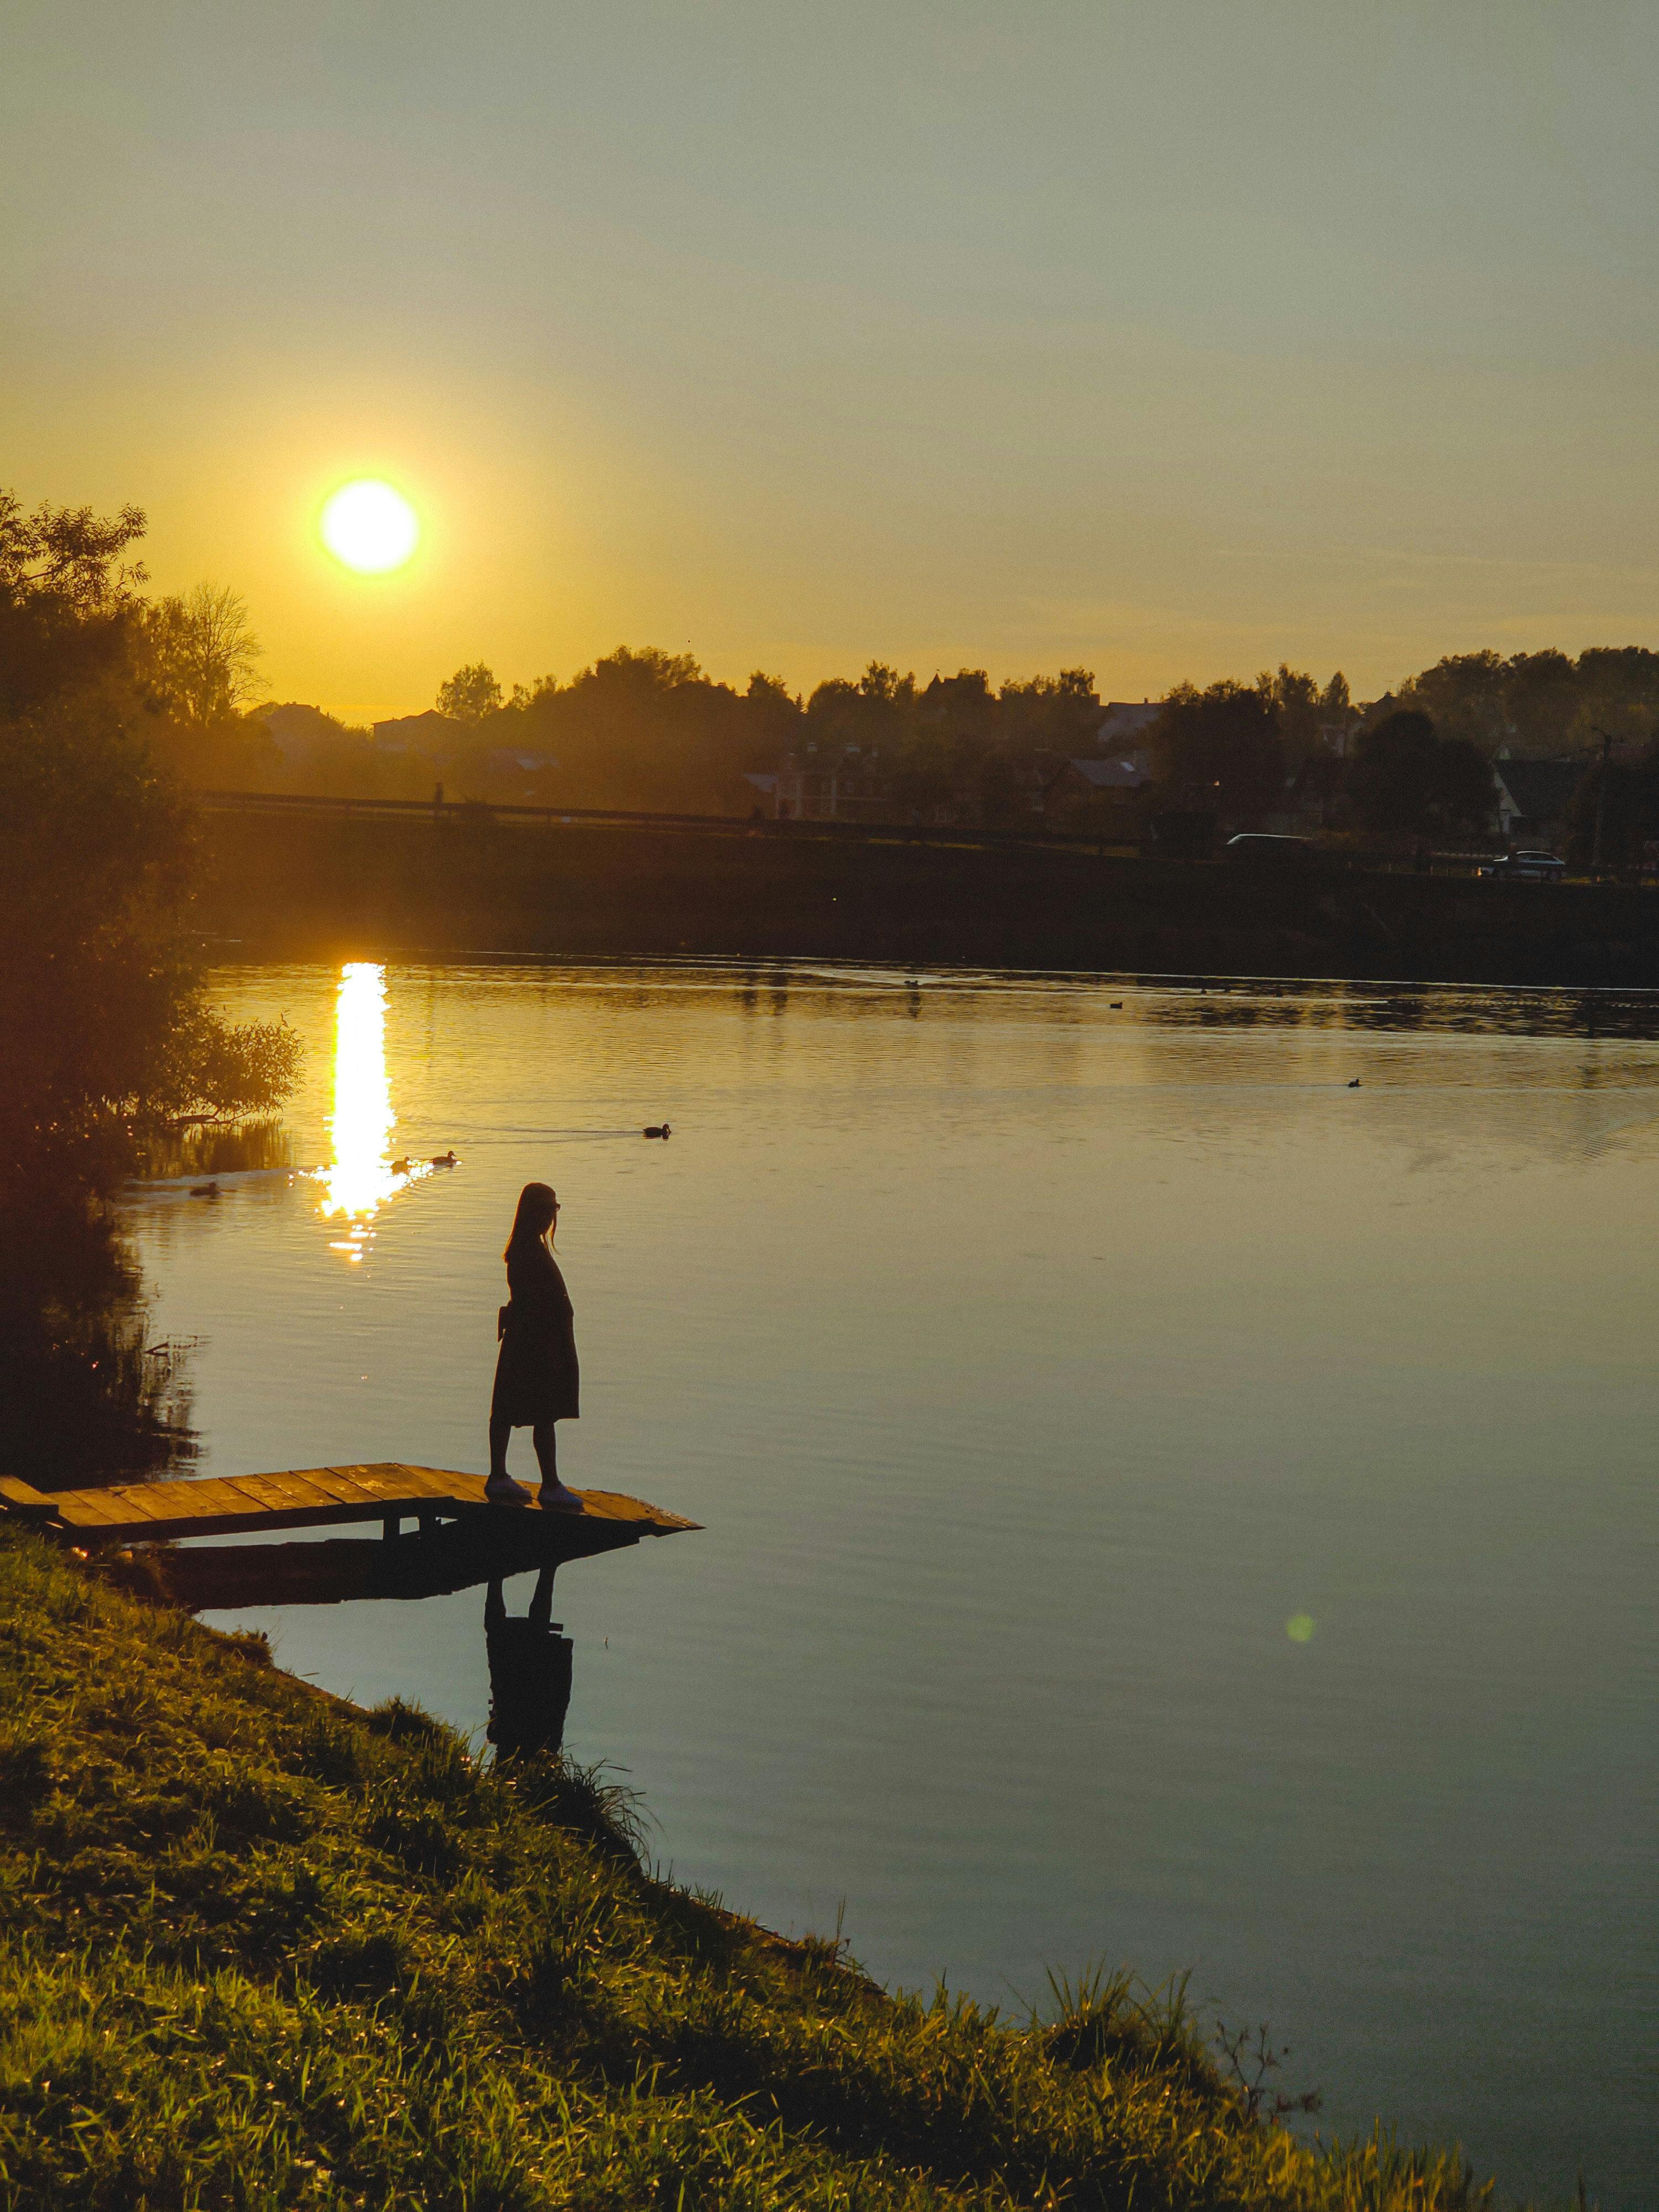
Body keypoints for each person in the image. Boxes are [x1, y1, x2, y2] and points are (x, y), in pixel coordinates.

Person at [486, 1182, 582, 1507]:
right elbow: (529, 1299)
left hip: (540, 1341)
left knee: (534, 1412)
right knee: (535, 1413)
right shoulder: (525, 1251)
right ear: (532, 1212)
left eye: (555, 1209)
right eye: (547, 1209)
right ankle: (540, 1483)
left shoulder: (532, 1247)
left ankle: (518, 1478)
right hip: (533, 1344)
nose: (551, 1216)